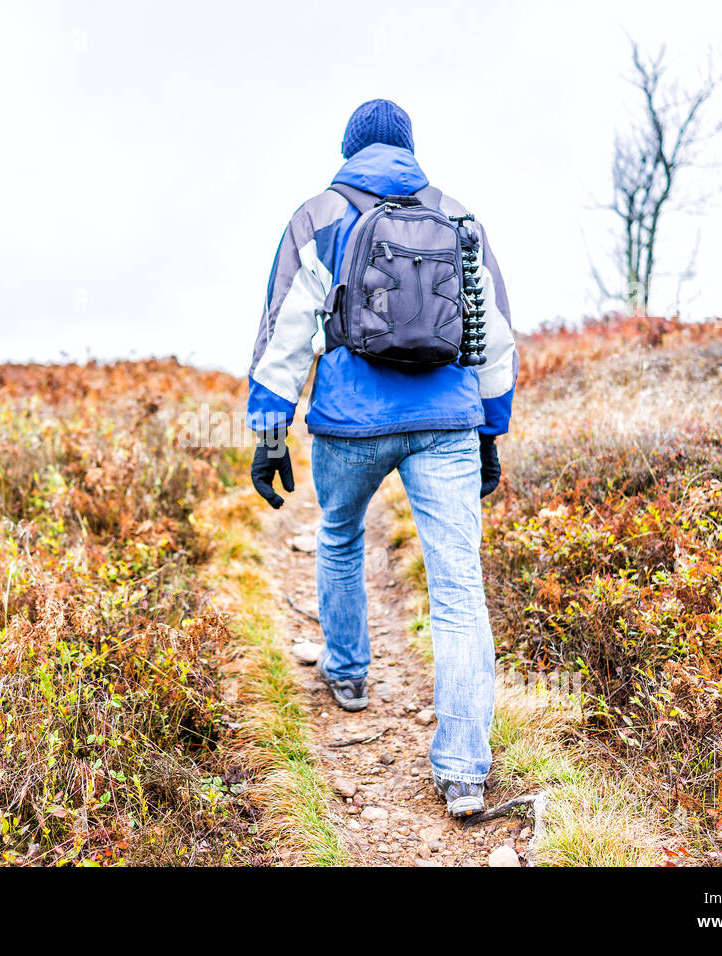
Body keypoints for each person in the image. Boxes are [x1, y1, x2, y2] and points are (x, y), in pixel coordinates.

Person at [245, 99, 518, 818]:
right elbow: (494, 337)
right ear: (410, 150)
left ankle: (349, 675)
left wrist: (269, 436)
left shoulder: (318, 215)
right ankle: (464, 772)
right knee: (458, 588)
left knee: (338, 536)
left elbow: (285, 337)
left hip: (349, 423)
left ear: (347, 149)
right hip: (446, 422)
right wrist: (491, 430)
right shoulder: (459, 216)